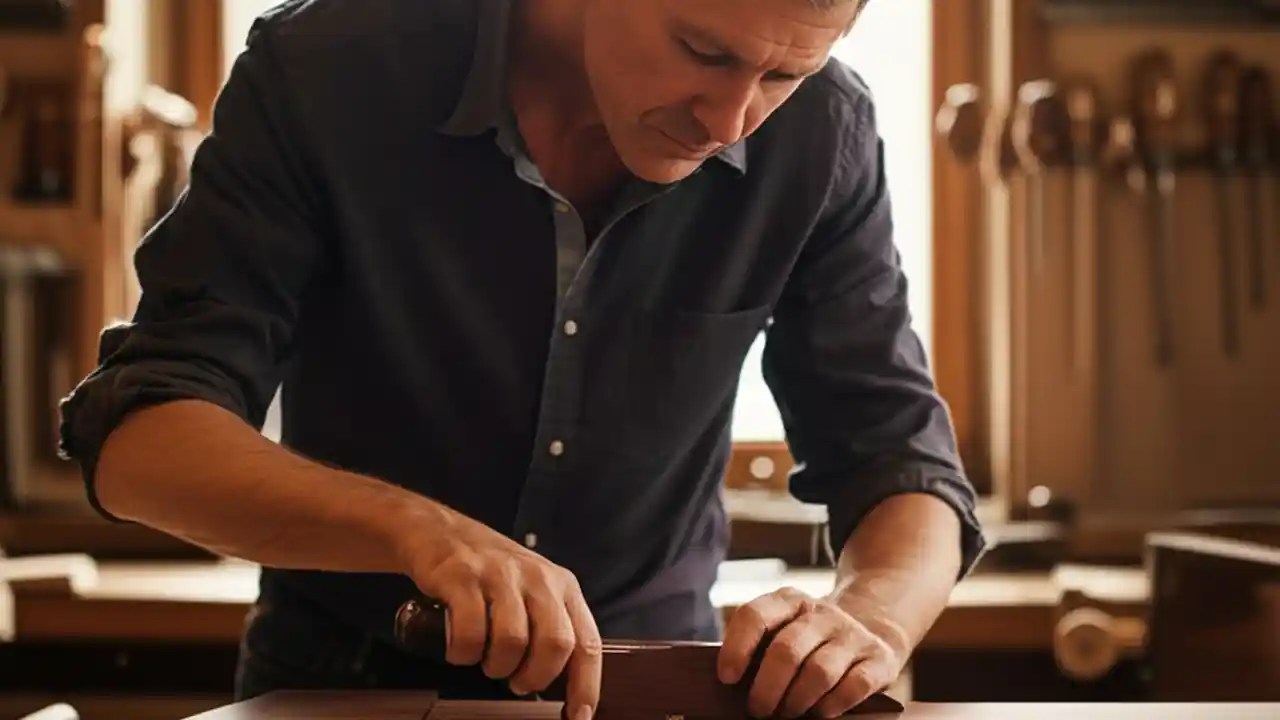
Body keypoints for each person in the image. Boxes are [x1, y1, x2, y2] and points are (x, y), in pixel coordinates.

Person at [58, 0, 987, 717]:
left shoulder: (822, 134)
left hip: (655, 696)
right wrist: (418, 531)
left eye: (784, 73)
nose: (733, 122)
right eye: (704, 52)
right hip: (341, 688)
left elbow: (898, 463)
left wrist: (865, 625)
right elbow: (140, 436)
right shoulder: (324, 71)